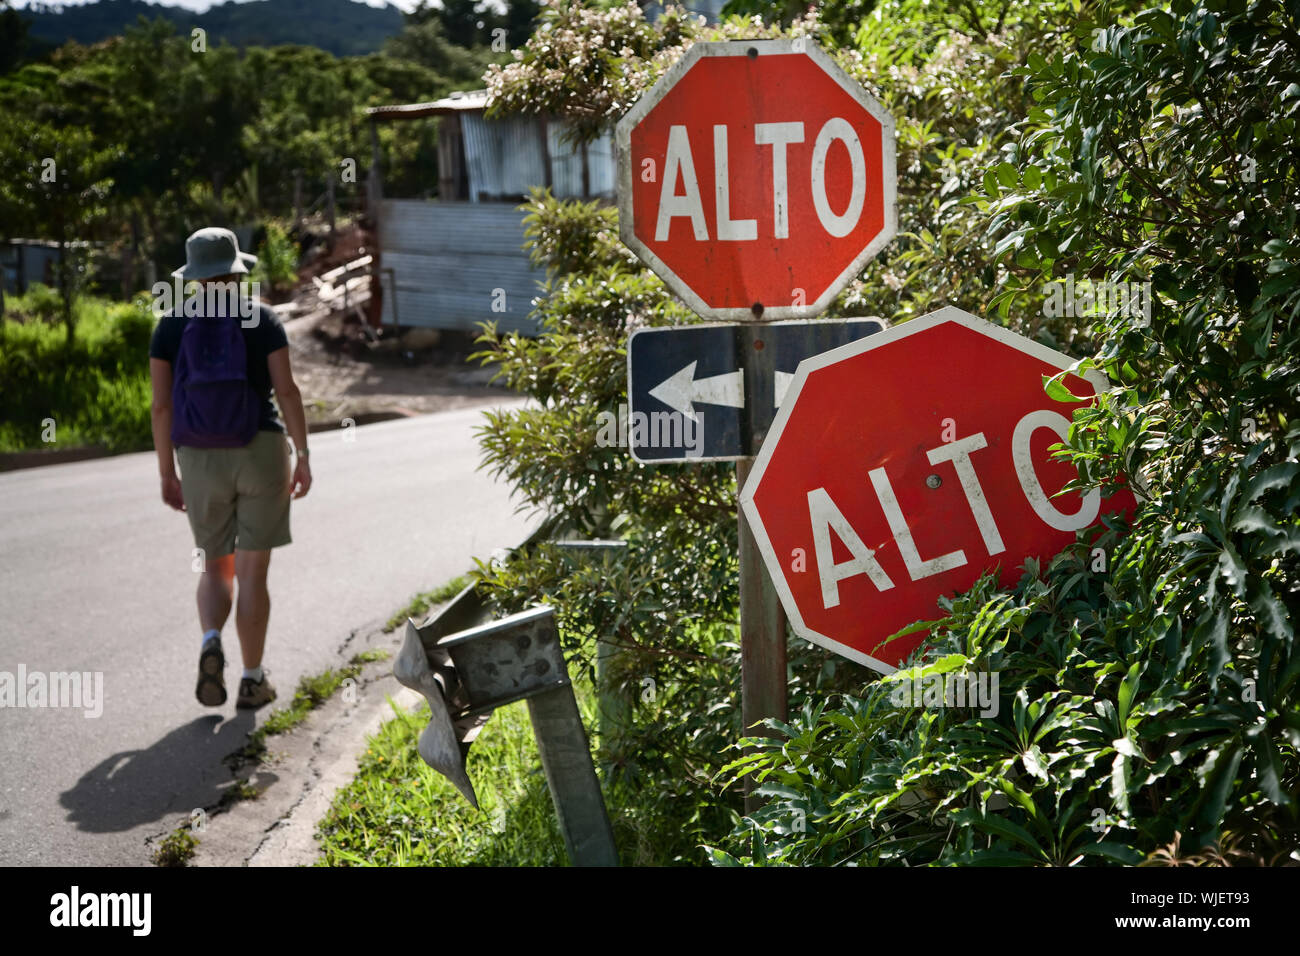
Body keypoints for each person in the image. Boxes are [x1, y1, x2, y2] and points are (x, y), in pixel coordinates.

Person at [148, 227, 312, 709]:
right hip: (260, 449)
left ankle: (209, 643)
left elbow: (161, 408)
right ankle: (252, 679)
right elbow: (287, 392)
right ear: (237, 270)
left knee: (216, 569)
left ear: (193, 275)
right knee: (253, 573)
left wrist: (167, 472)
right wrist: (302, 454)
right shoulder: (261, 319)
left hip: (198, 458)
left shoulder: (171, 326)